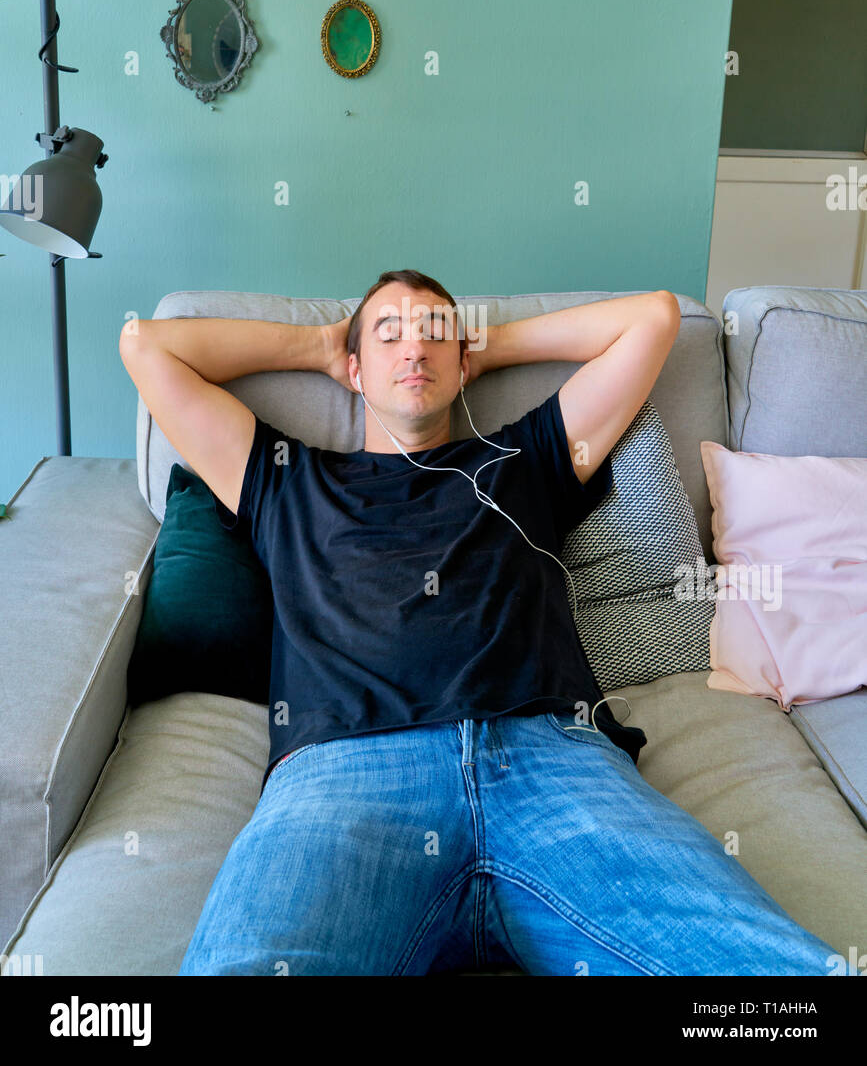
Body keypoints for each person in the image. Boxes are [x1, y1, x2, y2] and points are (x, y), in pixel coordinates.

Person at [119, 270, 839, 975]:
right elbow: (145, 346)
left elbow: (650, 318)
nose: (413, 349)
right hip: (348, 770)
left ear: (461, 362)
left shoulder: (525, 461)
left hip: (550, 761)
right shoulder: (282, 477)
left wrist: (482, 346)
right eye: (389, 335)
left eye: (435, 334)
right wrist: (318, 347)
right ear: (354, 367)